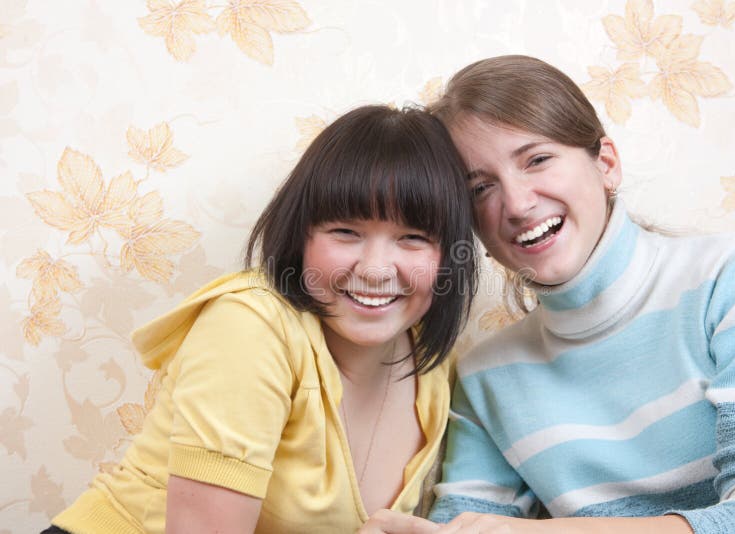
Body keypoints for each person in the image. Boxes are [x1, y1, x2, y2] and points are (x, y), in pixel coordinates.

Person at [359, 56, 735, 533]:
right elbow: (467, 525)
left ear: (606, 164)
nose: (517, 204)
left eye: (537, 160)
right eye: (481, 188)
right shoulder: (486, 376)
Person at [43, 105, 477, 534]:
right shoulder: (250, 325)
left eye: (413, 239)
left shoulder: (435, 366)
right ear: (301, 236)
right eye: (346, 232)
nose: (376, 269)